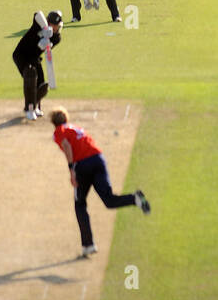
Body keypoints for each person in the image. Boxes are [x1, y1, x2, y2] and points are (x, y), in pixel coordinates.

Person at [51, 109, 150, 258]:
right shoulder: (76, 128)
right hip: (98, 159)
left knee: (80, 204)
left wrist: (71, 170)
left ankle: (88, 244)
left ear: (54, 122)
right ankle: (135, 199)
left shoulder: (59, 131)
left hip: (82, 165)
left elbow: (66, 146)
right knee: (109, 200)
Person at [12, 10, 63, 120]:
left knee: (42, 86)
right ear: (49, 23)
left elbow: (46, 46)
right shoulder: (39, 24)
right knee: (30, 75)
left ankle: (35, 107)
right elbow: (37, 14)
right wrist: (45, 28)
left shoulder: (56, 37)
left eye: (57, 26)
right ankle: (29, 109)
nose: (55, 28)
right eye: (53, 25)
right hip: (21, 55)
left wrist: (47, 43)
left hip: (34, 58)